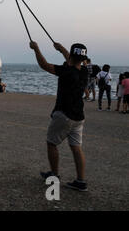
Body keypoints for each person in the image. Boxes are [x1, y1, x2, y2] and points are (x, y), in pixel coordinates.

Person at [31, 41, 89, 191]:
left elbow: (44, 65)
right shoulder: (84, 71)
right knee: (76, 147)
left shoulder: (66, 71)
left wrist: (36, 49)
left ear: (71, 57)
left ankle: (54, 175)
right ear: (83, 59)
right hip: (78, 117)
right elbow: (71, 58)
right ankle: (81, 181)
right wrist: (61, 48)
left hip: (64, 115)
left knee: (52, 144)